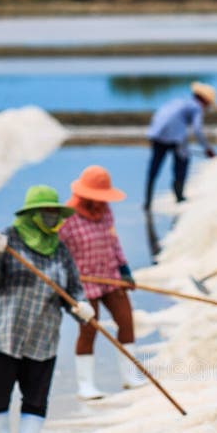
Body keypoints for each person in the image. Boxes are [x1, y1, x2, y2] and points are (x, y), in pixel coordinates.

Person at [0, 184, 94, 433]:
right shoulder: (7, 240)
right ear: (32, 214)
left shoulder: (60, 251)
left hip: (42, 336)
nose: (51, 217)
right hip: (3, 332)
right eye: (45, 212)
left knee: (36, 398)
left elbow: (73, 290)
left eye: (55, 212)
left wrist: (81, 306)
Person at [59, 165, 141, 400]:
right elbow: (58, 253)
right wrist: (66, 281)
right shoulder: (66, 217)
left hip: (110, 275)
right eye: (96, 197)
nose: (100, 202)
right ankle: (85, 386)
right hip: (83, 282)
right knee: (89, 329)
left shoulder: (105, 212)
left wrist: (124, 270)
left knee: (126, 321)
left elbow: (113, 242)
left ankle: (130, 376)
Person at [144, 81, 217, 224]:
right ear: (204, 100)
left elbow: (161, 116)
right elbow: (197, 130)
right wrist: (208, 149)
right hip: (174, 136)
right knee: (182, 161)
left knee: (154, 167)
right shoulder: (196, 107)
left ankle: (147, 202)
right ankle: (179, 197)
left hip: (157, 134)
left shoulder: (179, 101)